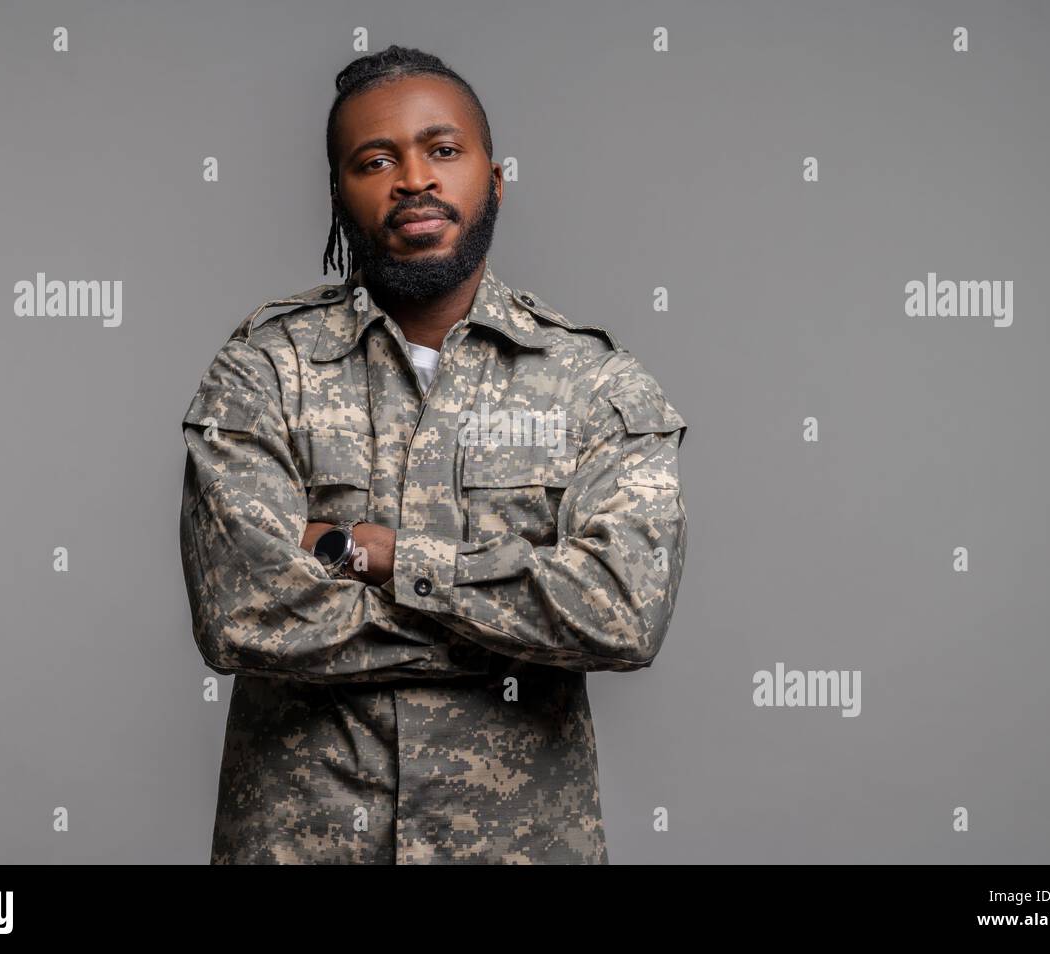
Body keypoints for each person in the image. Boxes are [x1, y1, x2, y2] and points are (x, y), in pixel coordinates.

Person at [178, 44, 689, 864]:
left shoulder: (593, 384)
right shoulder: (266, 370)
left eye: (443, 150)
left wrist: (383, 558)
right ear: (339, 195)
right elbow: (242, 612)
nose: (413, 178)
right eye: (375, 160)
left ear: (494, 176)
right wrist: (506, 625)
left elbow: (622, 614)